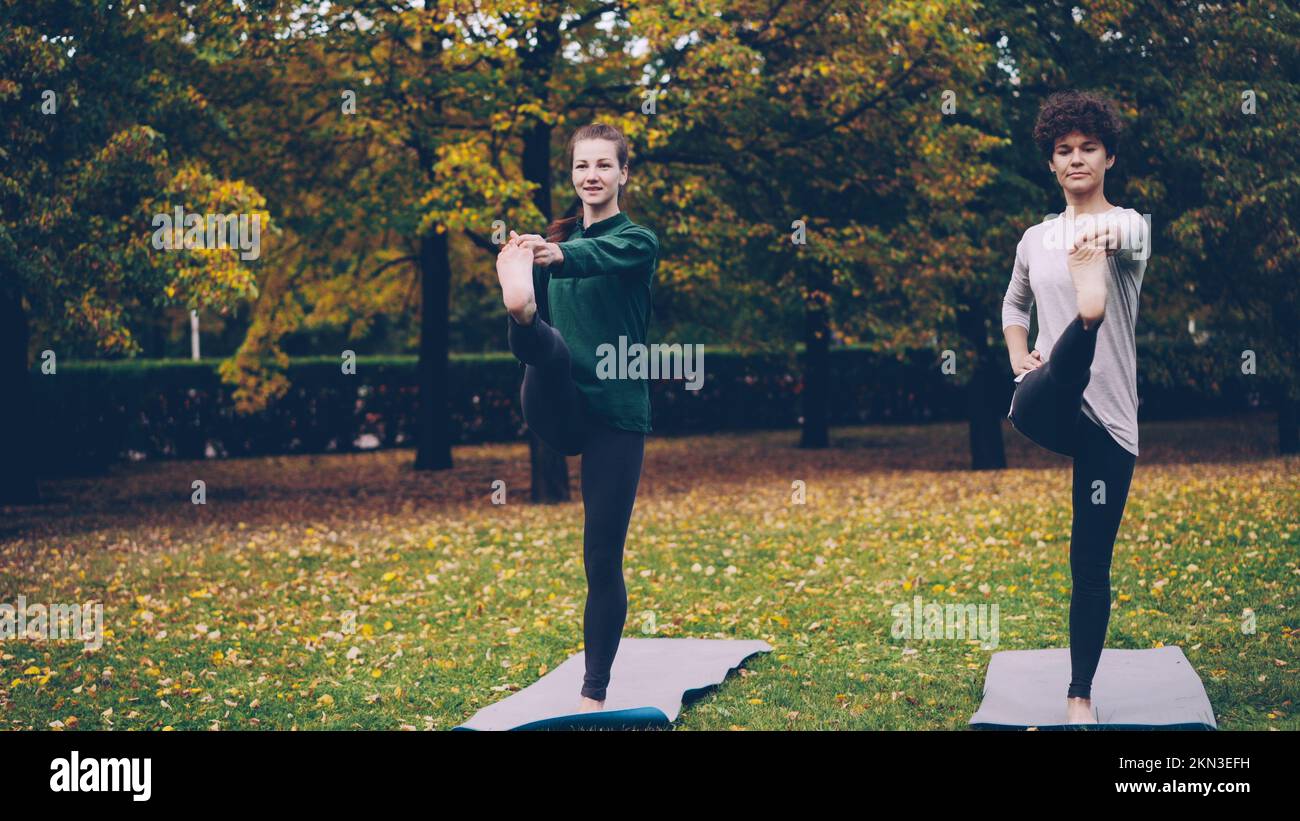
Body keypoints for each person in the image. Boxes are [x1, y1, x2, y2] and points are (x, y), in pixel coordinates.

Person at [495, 123, 659, 712]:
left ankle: (593, 692)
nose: (592, 175)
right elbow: (567, 255)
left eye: (603, 166)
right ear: (573, 175)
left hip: (615, 413)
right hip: (556, 399)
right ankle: (521, 310)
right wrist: (535, 265)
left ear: (622, 175)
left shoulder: (638, 241)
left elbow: (602, 255)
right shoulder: (553, 245)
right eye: (582, 166)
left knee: (601, 556)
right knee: (548, 346)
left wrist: (556, 252)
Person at [1001, 90, 1151, 724]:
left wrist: (1092, 237)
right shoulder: (1036, 240)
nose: (1077, 157)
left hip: (1109, 427)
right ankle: (1083, 327)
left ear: (1108, 157)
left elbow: (1124, 231)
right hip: (1045, 405)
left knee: (1089, 565)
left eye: (1089, 147)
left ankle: (1079, 698)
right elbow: (1013, 308)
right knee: (1055, 374)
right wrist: (1017, 356)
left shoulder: (1130, 226)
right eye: (1064, 150)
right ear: (1052, 164)